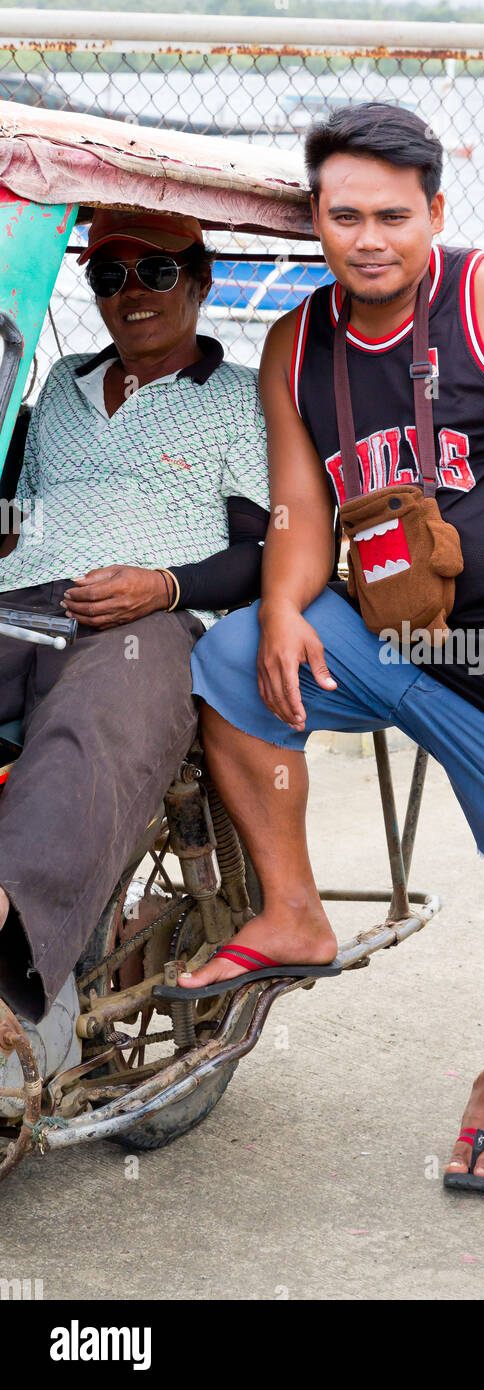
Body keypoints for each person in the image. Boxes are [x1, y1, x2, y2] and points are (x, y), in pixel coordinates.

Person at [181, 101, 484, 1193]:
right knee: (233, 661)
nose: (369, 237)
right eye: (345, 217)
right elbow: (297, 507)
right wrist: (286, 605)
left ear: (435, 212)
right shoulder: (295, 344)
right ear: (317, 221)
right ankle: (293, 909)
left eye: (393, 214)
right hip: (394, 638)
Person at [0, 208, 270, 1022]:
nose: (133, 293)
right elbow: (12, 509)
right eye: (110, 276)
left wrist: (165, 586)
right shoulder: (61, 385)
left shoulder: (235, 397)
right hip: (21, 602)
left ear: (201, 280)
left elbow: (262, 552)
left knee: (88, 728)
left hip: (148, 621)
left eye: (155, 273)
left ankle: (9, 940)